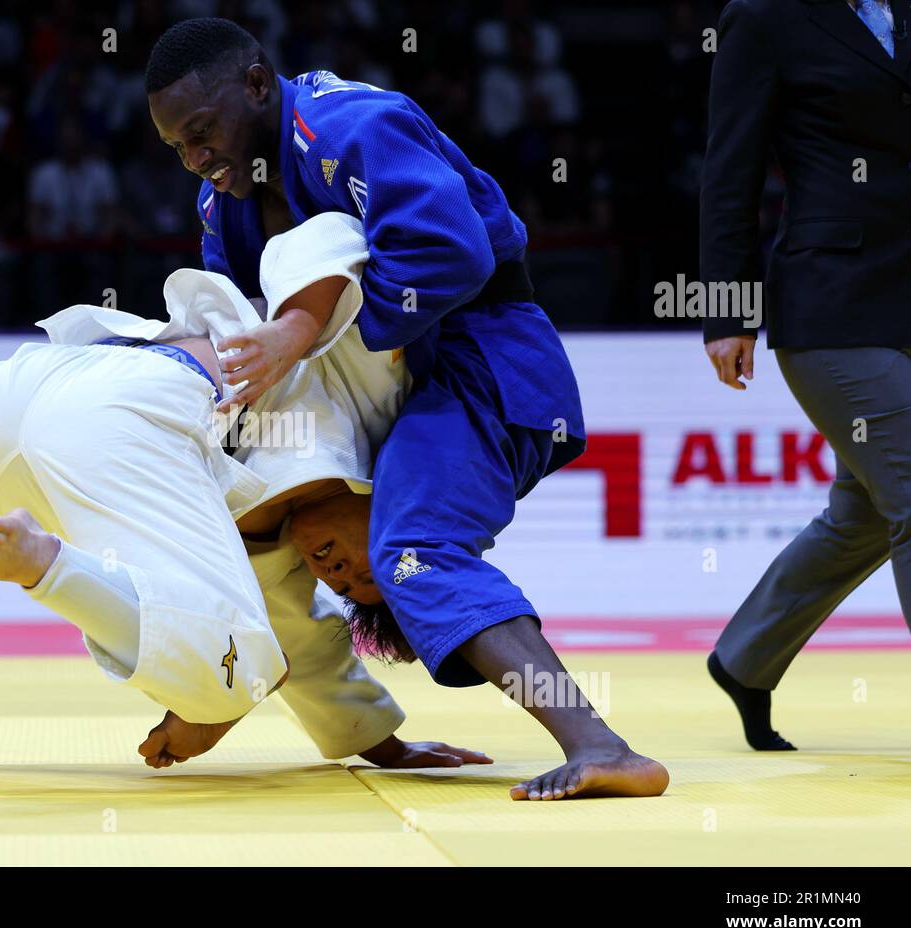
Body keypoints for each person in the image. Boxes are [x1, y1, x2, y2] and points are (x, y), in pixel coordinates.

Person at [143, 18, 667, 800]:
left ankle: (601, 744)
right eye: (178, 148)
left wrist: (314, 334)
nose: (196, 158)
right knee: (286, 537)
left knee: (414, 544)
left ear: (257, 85)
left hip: (479, 357)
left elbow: (456, 253)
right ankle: (238, 695)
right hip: (392, 389)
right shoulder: (226, 206)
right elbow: (236, 317)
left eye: (203, 132)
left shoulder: (351, 125)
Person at [0, 253, 483, 773]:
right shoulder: (356, 422)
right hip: (127, 401)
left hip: (26, 391)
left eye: (346, 588)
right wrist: (298, 325)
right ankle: (46, 566)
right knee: (238, 681)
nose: (338, 574)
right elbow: (333, 243)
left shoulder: (276, 562)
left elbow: (310, 647)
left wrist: (387, 748)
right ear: (387, 521)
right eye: (367, 571)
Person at [700, 0, 911, 749]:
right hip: (832, 302)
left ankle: (745, 659)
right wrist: (728, 308)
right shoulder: (767, 16)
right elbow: (732, 166)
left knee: (863, 516)